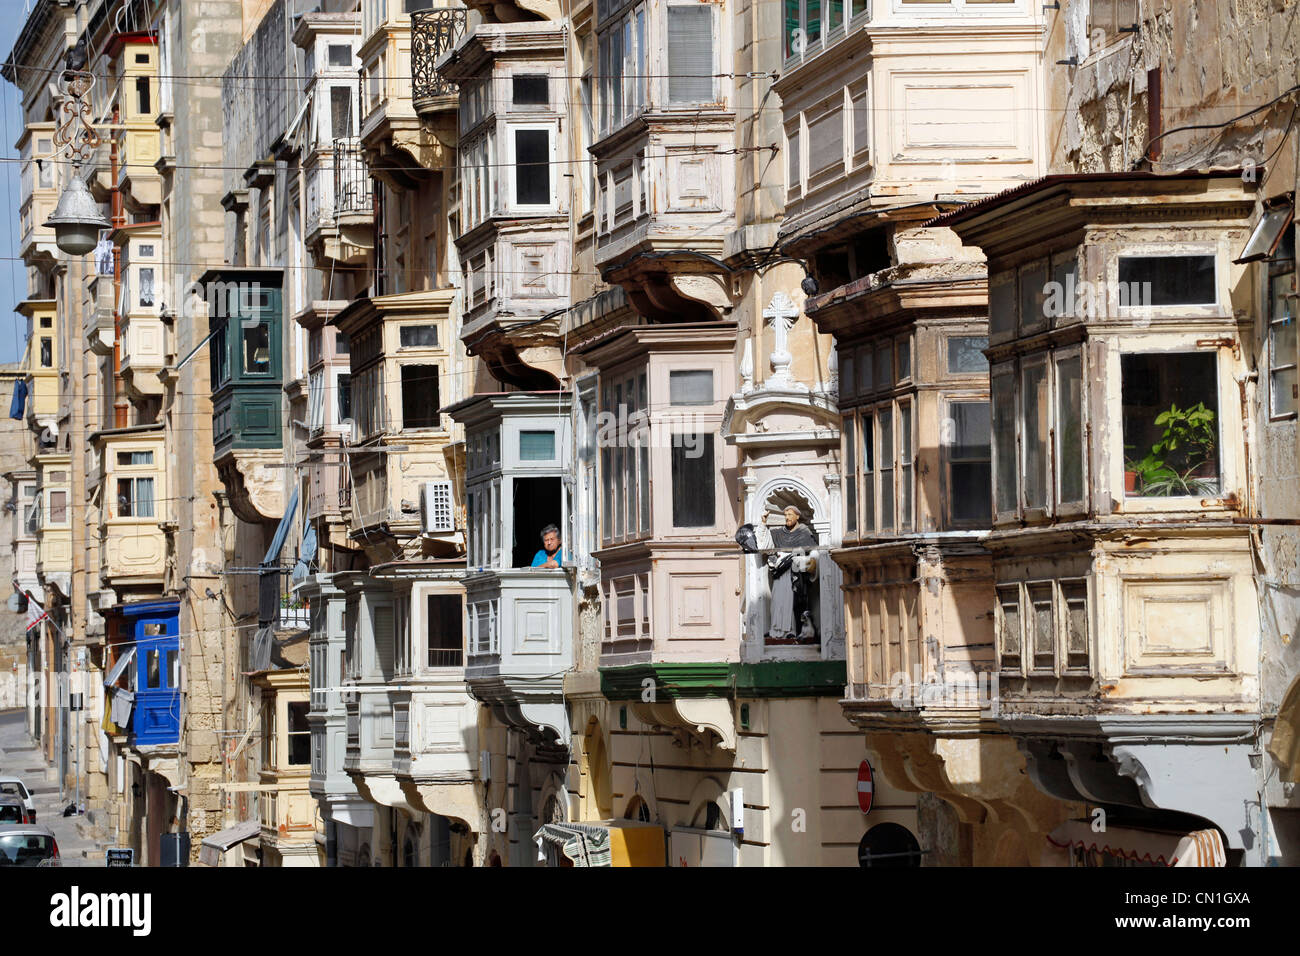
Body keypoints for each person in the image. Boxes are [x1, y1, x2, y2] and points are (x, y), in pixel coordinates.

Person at [767, 506, 818, 642]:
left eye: (790, 515)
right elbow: (766, 544)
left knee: (791, 603)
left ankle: (790, 630)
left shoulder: (804, 532)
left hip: (795, 575)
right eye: (786, 515)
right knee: (777, 601)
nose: (787, 517)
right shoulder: (778, 533)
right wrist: (762, 524)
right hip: (780, 573)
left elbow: (814, 550)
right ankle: (776, 630)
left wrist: (812, 560)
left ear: (797, 516)